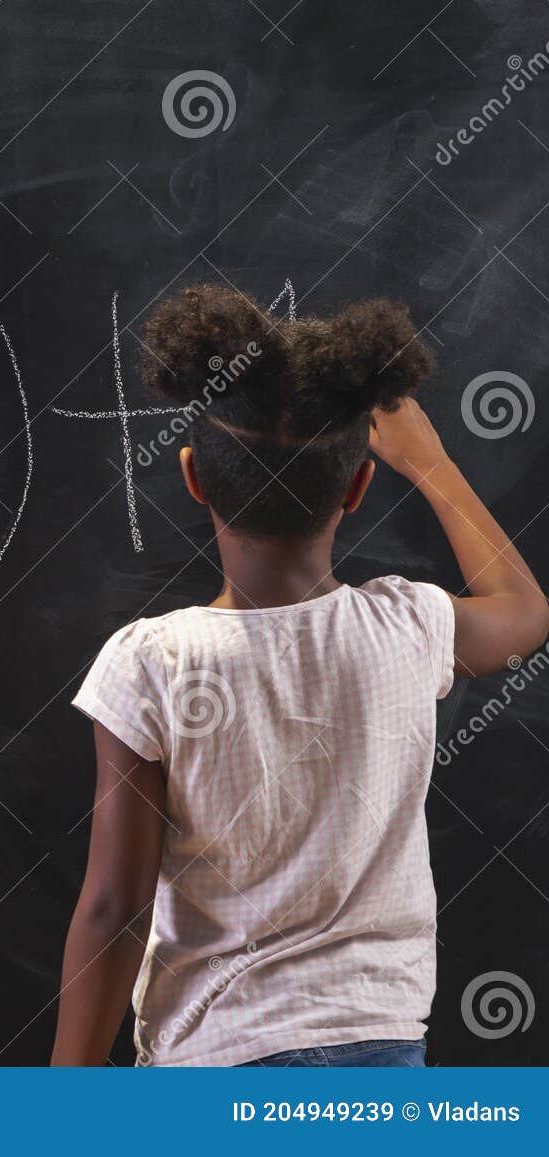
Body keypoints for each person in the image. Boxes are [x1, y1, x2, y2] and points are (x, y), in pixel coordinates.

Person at [52, 285, 549, 1066]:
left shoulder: (151, 660)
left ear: (192, 477)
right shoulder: (407, 626)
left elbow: (116, 905)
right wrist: (429, 461)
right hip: (380, 1067)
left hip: (217, 1064)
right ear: (355, 489)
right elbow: (524, 608)